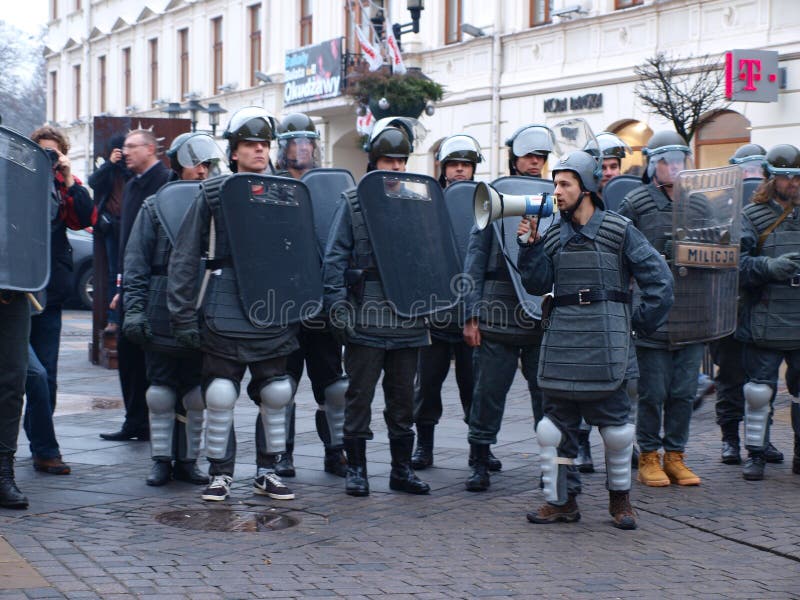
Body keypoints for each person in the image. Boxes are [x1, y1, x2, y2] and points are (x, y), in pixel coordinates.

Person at [517, 150, 673, 529]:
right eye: (555, 184)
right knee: (554, 431)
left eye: (564, 184)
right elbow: (537, 284)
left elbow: (660, 282)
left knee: (617, 432)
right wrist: (529, 246)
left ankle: (621, 503)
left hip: (607, 348)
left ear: (586, 187)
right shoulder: (552, 233)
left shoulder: (620, 230)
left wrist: (633, 326)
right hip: (562, 346)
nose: (556, 191)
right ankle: (561, 501)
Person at [168, 107, 300, 502]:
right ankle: (220, 474)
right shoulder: (213, 193)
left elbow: (300, 254)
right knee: (220, 395)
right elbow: (185, 256)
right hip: (223, 306)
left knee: (276, 393)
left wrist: (304, 305)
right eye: (250, 144)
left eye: (264, 144)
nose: (259, 150)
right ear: (234, 151)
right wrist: (182, 314)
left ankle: (268, 471)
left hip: (272, 308)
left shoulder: (286, 193)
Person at [322, 118, 432, 497]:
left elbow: (430, 255)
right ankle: (357, 470)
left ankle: (401, 470)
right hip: (366, 313)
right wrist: (336, 305)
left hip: (408, 316)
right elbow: (335, 258)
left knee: (403, 401)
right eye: (389, 160)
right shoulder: (352, 202)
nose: (397, 167)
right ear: (374, 161)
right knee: (359, 397)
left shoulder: (418, 201)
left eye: (401, 160)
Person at [122, 133, 227, 486]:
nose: (202, 170)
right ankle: (161, 460)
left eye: (207, 164)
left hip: (203, 309)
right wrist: (134, 310)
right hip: (159, 309)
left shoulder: (218, 206)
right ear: (179, 165)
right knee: (161, 392)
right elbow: (136, 263)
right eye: (196, 164)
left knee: (195, 394)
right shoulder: (155, 206)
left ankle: (187, 460)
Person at [461, 124, 554, 492]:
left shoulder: (556, 195)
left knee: (546, 395)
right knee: (487, 392)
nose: (535, 162)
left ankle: (552, 464)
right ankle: (479, 459)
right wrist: (471, 314)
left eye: (541, 156)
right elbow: (474, 258)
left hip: (540, 311)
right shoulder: (494, 196)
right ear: (515, 158)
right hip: (497, 310)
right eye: (529, 155)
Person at [617, 130, 703, 487]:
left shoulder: (699, 204)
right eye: (667, 161)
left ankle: (676, 456)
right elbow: (618, 255)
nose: (675, 167)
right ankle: (649, 456)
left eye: (680, 160)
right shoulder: (634, 203)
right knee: (653, 393)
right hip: (651, 314)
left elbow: (720, 248)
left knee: (684, 392)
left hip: (692, 313)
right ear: (653, 165)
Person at [270, 113, 348, 478]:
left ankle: (336, 451)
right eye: (296, 142)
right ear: (283, 147)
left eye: (308, 142)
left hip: (322, 302)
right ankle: (281, 454)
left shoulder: (330, 188)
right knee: (281, 387)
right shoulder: (269, 186)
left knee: (334, 386)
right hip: (284, 303)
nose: (303, 148)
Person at [411, 134, 483, 470]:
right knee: (426, 387)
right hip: (435, 314)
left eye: (466, 165)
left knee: (475, 388)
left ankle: (480, 448)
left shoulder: (485, 204)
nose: (460, 170)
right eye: (454, 164)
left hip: (472, 314)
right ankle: (423, 446)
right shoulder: (428, 203)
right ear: (443, 167)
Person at [712, 143, 784, 466]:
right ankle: (729, 438)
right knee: (730, 375)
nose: (752, 176)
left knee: (761, 379)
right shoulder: (718, 206)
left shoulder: (775, 208)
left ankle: (761, 440)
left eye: (757, 169)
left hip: (761, 303)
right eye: (747, 170)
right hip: (727, 303)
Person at [28, 126, 94, 474]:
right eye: (41, 151)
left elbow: (85, 218)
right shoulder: (19, 180)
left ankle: (42, 446)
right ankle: (43, 446)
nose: (47, 158)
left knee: (47, 376)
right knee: (30, 374)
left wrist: (67, 177)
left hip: (50, 293)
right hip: (18, 291)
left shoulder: (64, 185)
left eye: (52, 152)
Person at [101, 129, 172, 442]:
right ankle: (135, 421)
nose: (125, 151)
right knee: (128, 354)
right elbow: (126, 244)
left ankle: (158, 424)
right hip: (130, 284)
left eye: (132, 146)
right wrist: (122, 287)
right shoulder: (131, 186)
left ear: (150, 149)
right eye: (124, 146)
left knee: (153, 358)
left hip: (156, 285)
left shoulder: (167, 182)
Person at [736, 144, 800, 480]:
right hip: (764, 315)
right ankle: (756, 453)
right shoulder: (751, 216)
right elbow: (737, 265)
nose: (793, 183)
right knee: (759, 392)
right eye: (787, 176)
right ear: (771, 178)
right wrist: (768, 267)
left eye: (798, 177)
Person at [88, 134, 133, 333]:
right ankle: (113, 319)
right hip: (111, 227)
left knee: (132, 273)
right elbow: (93, 182)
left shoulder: (131, 168)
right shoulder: (108, 169)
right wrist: (110, 163)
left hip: (131, 227)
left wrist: (124, 165)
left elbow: (135, 182)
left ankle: (128, 318)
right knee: (113, 274)